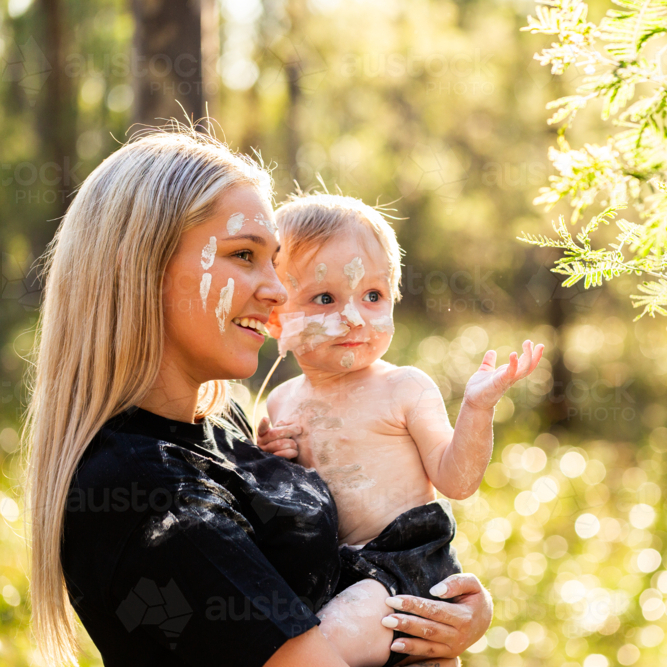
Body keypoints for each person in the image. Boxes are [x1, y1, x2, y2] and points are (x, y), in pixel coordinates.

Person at [24, 127, 492, 667]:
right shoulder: (144, 489)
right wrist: (404, 613)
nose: (275, 289)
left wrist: (448, 611)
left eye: (273, 261)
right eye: (243, 254)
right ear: (143, 270)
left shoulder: (221, 422)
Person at [255, 194, 543, 667]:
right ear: (274, 317)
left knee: (318, 647)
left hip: (405, 565)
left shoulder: (404, 388)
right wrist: (275, 459)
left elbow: (458, 480)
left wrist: (477, 406)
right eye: (325, 298)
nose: (355, 317)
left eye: (373, 296)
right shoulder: (282, 400)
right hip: (333, 572)